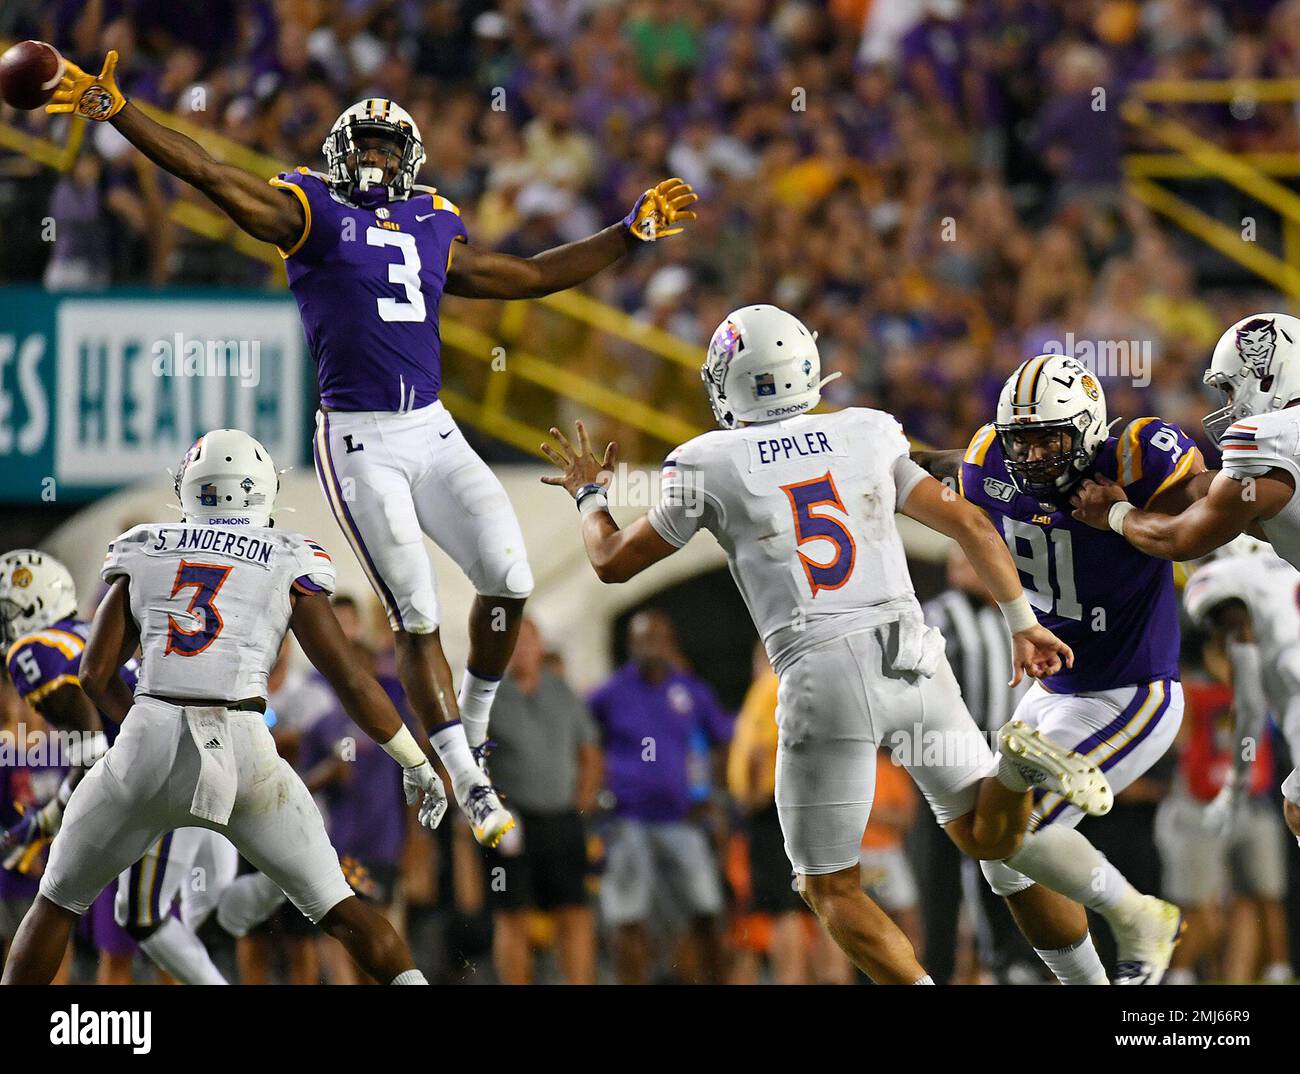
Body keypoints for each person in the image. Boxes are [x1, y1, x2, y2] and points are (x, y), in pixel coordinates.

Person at [45, 51, 698, 850]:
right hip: (357, 438)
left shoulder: (433, 220)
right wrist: (119, 111)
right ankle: (461, 771)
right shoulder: (311, 211)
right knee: (416, 608)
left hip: (432, 425)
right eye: (368, 145)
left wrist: (627, 235)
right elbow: (214, 176)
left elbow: (523, 273)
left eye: (392, 147)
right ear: (339, 153)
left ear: (412, 159)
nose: (379, 158)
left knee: (512, 577)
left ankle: (474, 727)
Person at [540, 305, 1110, 984]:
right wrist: (1022, 623)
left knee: (828, 886)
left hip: (824, 671)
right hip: (915, 658)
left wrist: (588, 496)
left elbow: (609, 560)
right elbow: (971, 526)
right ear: (807, 367)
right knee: (998, 844)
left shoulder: (707, 462)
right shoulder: (866, 431)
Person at [0, 429, 448, 986]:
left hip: (150, 733)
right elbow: (352, 680)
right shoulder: (288, 557)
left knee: (57, 902)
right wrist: (415, 761)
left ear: (189, 489)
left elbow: (93, 674)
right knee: (337, 905)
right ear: (262, 491)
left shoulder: (144, 548)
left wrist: (137, 732)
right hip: (242, 745)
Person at [916, 353, 1199, 984]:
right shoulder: (987, 461)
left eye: (1051, 438)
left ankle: (1140, 916)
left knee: (1014, 832)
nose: (1035, 456)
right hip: (1052, 688)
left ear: (1089, 426)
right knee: (997, 857)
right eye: (1023, 441)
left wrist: (1122, 516)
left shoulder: (1137, 455)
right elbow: (938, 468)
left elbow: (1199, 523)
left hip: (1130, 687)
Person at [0, 550, 286, 985]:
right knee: (205, 905)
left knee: (139, 916)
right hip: (216, 750)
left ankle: (286, 885)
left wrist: (45, 822)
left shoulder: (34, 651)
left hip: (168, 772)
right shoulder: (88, 630)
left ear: (31, 607)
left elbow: (92, 753)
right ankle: (289, 880)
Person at [1068, 314, 1300, 847]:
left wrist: (1116, 515)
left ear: (1267, 374)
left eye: (1230, 385)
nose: (1227, 404)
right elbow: (1234, 502)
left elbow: (1181, 541)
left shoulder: (1272, 439)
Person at [587, 610, 733, 985]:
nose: (650, 646)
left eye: (657, 638)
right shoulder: (610, 693)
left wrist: (712, 794)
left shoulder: (688, 690)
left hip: (681, 818)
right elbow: (582, 739)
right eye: (642, 639)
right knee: (628, 916)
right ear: (630, 645)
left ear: (670, 643)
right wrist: (591, 788)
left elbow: (721, 737)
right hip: (626, 818)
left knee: (707, 908)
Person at [480, 618, 601, 985]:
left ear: (540, 646)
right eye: (514, 644)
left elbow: (590, 751)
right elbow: (467, 755)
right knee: (512, 914)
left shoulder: (561, 690)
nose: (523, 651)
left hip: (561, 819)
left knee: (574, 911)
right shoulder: (486, 694)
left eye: (528, 642)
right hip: (512, 823)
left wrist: (581, 805)